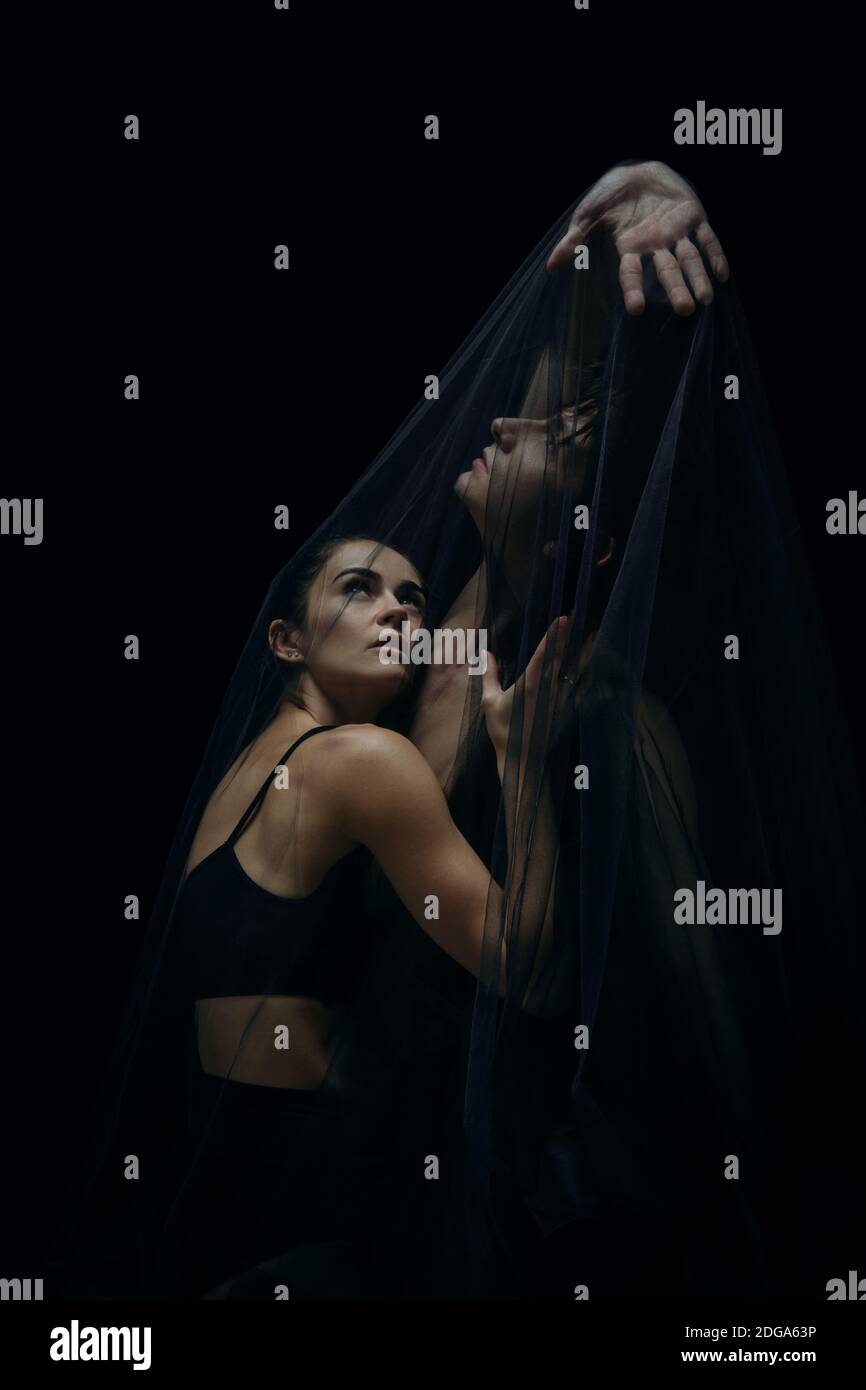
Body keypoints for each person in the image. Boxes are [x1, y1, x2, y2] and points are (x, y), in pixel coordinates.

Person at [48, 158, 865, 1301]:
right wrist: (611, 219)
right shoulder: (428, 650)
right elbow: (574, 358)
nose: (513, 414)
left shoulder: (593, 706)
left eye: (559, 428)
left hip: (448, 1202)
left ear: (591, 504)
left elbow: (682, 997)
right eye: (363, 594)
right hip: (300, 1186)